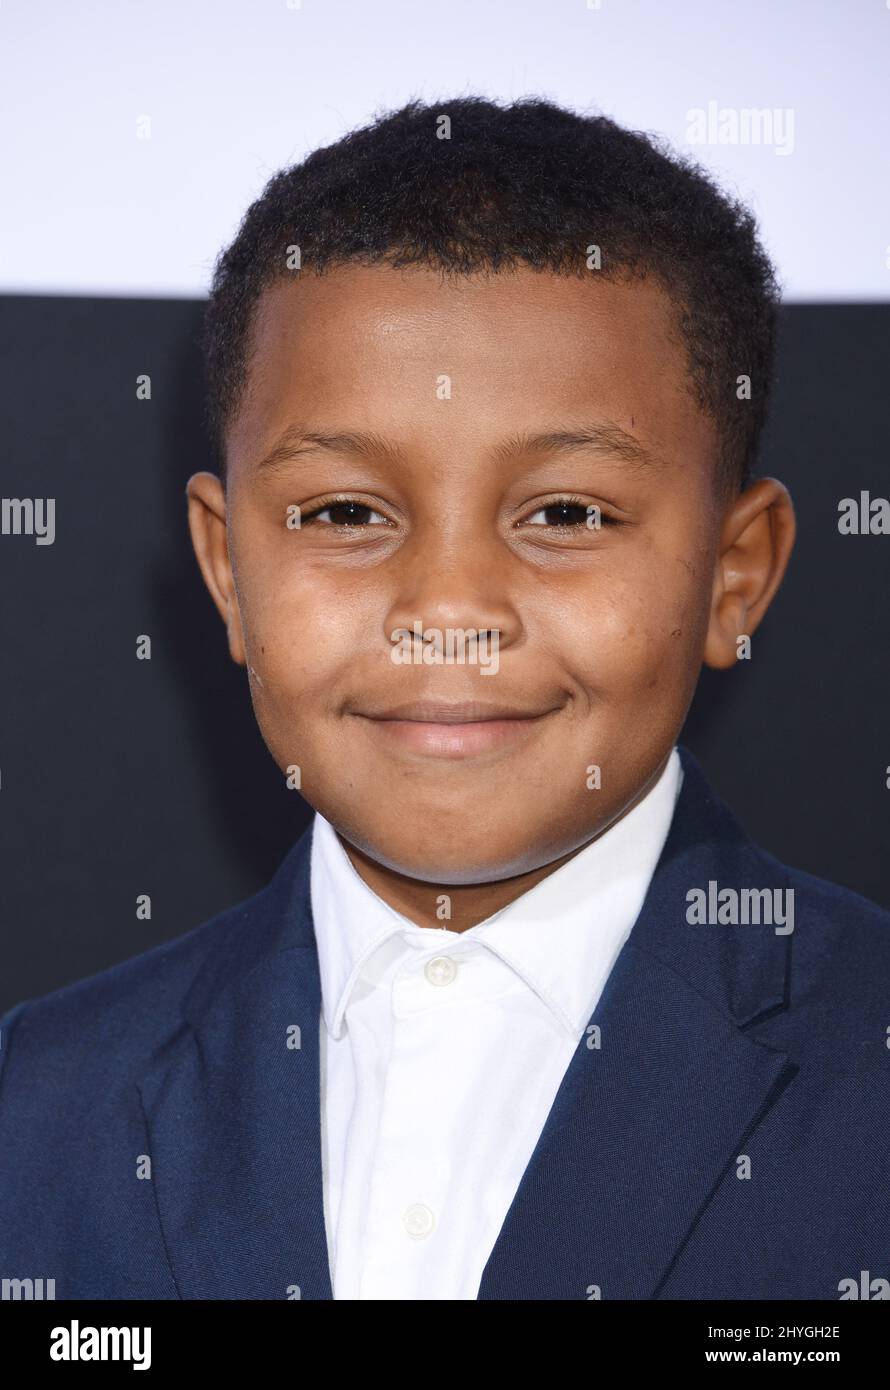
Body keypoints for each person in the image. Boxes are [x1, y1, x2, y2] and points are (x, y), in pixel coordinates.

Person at [1, 96, 888, 1301]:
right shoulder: (41, 1101)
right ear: (226, 570)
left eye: (565, 514)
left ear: (734, 577)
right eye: (343, 513)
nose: (447, 607)